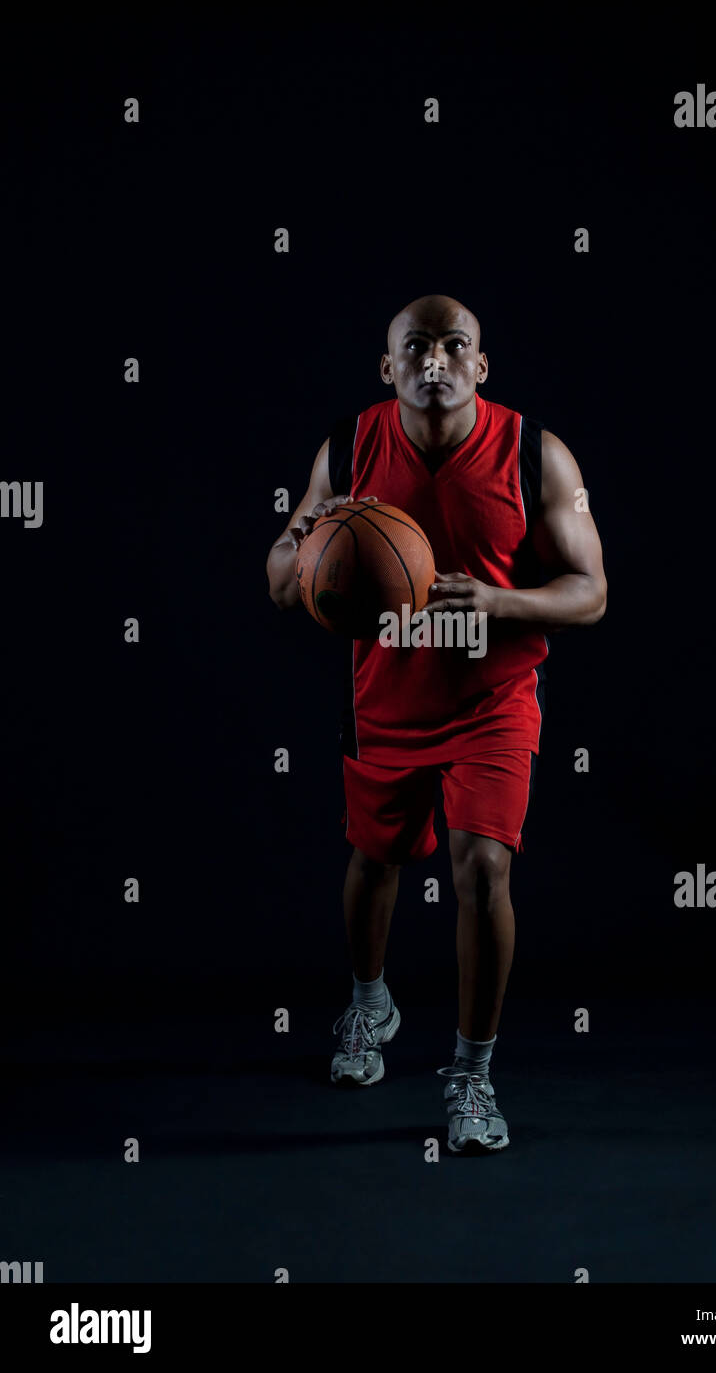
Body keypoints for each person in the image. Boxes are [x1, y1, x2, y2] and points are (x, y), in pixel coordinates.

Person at [266, 294, 607, 1153]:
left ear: (480, 367)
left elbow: (591, 590)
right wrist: (300, 553)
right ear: (388, 368)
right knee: (375, 862)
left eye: (457, 345)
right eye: (416, 346)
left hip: (493, 701)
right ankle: (369, 1002)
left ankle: (471, 1073)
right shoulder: (349, 448)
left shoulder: (537, 453)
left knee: (482, 866)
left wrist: (501, 601)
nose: (436, 359)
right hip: (387, 697)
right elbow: (281, 570)